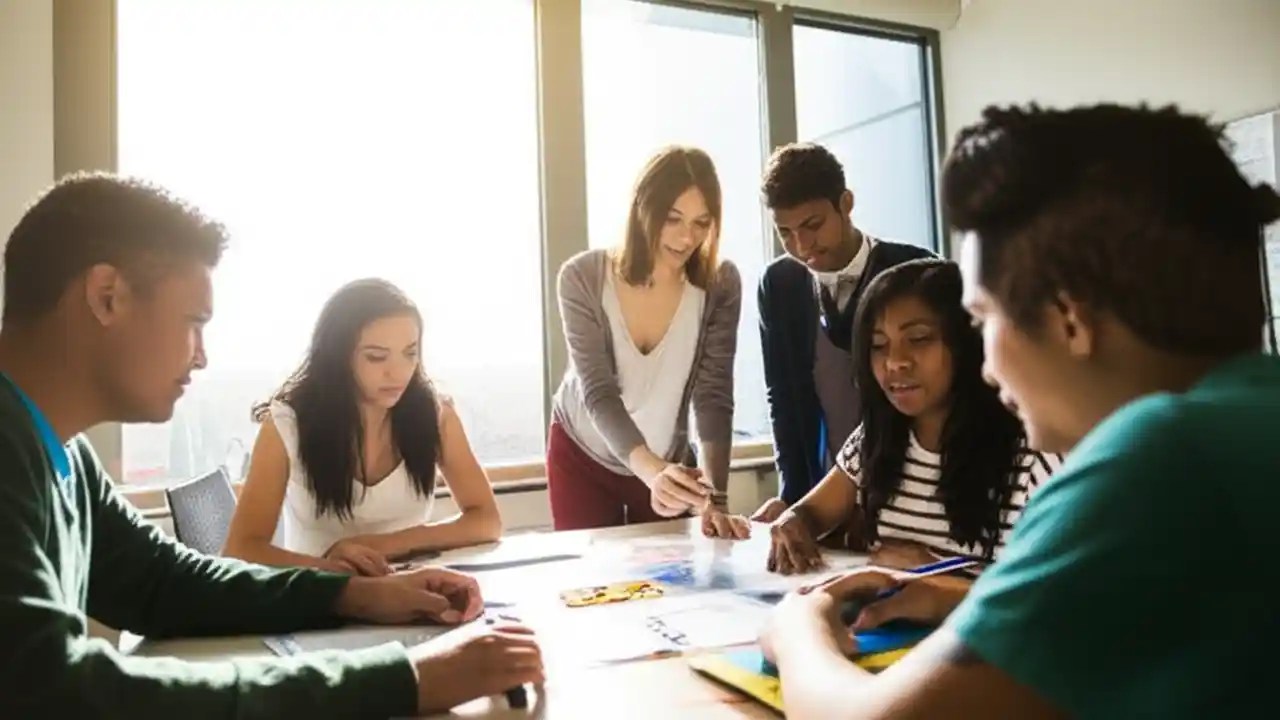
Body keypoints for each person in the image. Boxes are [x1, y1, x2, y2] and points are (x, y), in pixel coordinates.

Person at [759, 104, 1280, 719]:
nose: (985, 365)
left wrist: (798, 631)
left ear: (1068, 321)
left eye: (982, 320)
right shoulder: (1247, 419)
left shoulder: (1156, 460)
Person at [0, 173, 542, 717]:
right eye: (193, 322)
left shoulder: (64, 452)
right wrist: (408, 679)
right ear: (106, 296)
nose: (201, 356)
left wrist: (354, 594)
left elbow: (164, 583)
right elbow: (53, 691)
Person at [712, 260, 1057, 604]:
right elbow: (813, 511)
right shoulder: (876, 438)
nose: (895, 362)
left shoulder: (1035, 450)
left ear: (967, 341)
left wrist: (935, 577)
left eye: (918, 339)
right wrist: (792, 522)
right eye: (878, 345)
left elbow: (1056, 598)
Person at [223, 278, 502, 576]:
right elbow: (241, 549)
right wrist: (338, 572)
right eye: (376, 357)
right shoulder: (287, 425)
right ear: (338, 357)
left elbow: (487, 520)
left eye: (410, 353)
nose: (398, 372)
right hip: (320, 599)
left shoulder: (436, 415)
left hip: (408, 592)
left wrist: (383, 545)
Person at [549, 145, 747, 537]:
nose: (687, 236)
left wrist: (716, 497)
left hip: (670, 464)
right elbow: (598, 391)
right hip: (582, 455)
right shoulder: (582, 278)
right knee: (596, 587)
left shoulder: (720, 285)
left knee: (674, 587)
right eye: (673, 219)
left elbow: (713, 395)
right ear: (643, 209)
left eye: (701, 222)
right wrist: (651, 472)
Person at [754, 143, 934, 524]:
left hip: (911, 495)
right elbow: (784, 401)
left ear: (846, 203)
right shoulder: (779, 285)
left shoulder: (915, 270)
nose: (802, 246)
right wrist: (794, 498)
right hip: (826, 495)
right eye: (785, 232)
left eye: (813, 225)